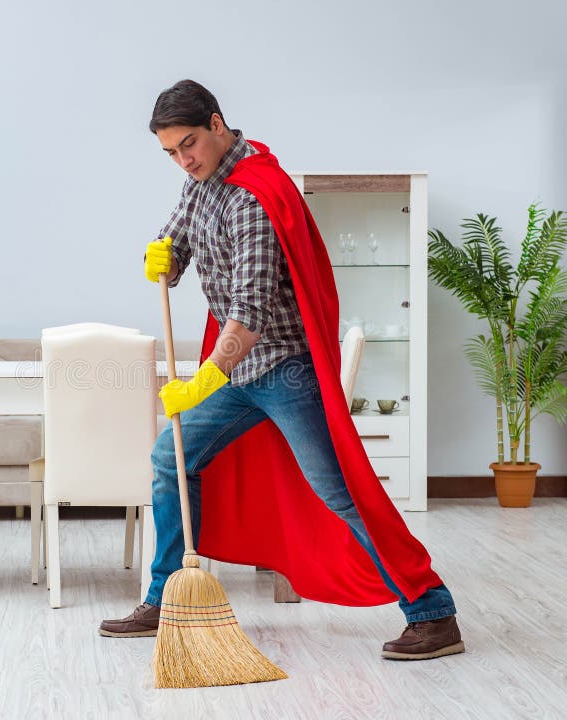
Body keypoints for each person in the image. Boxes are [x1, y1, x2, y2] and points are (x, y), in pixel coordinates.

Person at [99, 79, 465, 661]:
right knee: (172, 457)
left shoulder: (253, 196)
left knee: (339, 492)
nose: (183, 159)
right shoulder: (202, 184)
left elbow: (248, 313)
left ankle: (432, 612)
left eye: (189, 144)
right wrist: (162, 256)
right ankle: (167, 597)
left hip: (283, 373)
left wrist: (203, 381)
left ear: (217, 125)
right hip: (239, 376)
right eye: (171, 151)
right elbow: (177, 240)